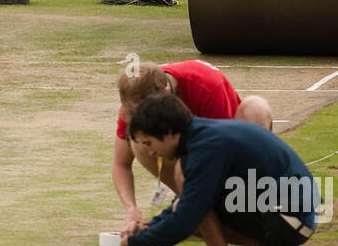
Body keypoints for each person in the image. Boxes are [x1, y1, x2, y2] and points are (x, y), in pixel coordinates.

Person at [121, 93, 317, 246]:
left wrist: (137, 243)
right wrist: (148, 227)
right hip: (295, 216)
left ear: (169, 132)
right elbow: (183, 204)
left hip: (291, 220)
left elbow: (184, 222)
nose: (151, 153)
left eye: (149, 143)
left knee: (194, 203)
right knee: (193, 199)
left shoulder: (205, 148)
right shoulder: (204, 135)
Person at [112, 60, 273, 235]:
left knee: (255, 108)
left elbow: (225, 152)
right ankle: (192, 204)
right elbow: (121, 164)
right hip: (194, 156)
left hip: (233, 154)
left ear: (166, 91)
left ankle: (249, 200)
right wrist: (131, 209)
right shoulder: (133, 102)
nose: (141, 116)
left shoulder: (207, 85)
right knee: (138, 141)